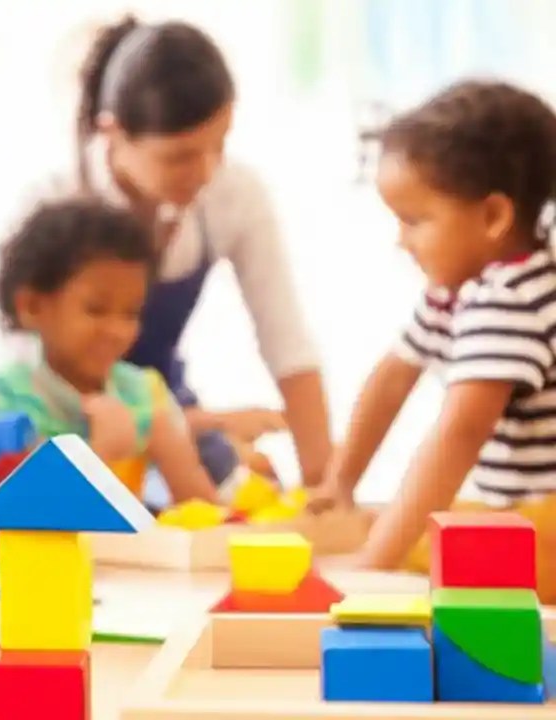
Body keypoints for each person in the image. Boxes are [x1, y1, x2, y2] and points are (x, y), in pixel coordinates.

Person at [52, 14, 334, 490]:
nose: (205, 171)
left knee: (244, 497)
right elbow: (24, 363)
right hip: (64, 415)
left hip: (167, 407)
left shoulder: (235, 193)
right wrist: (210, 422)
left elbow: (287, 344)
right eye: (180, 157)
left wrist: (325, 484)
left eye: (218, 145)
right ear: (113, 133)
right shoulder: (57, 201)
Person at [313, 80, 556, 600]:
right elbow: (392, 378)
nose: (401, 241)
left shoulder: (510, 300)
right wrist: (340, 482)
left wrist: (371, 568)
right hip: (519, 516)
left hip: (546, 526)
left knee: (422, 548)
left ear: (493, 217)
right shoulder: (460, 292)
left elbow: (459, 434)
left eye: (415, 220)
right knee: (400, 527)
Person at [0, 196, 219, 504]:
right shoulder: (7, 396)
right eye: (96, 309)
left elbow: (203, 510)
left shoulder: (144, 393)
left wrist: (171, 448)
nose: (117, 331)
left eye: (131, 313)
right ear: (33, 306)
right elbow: (13, 512)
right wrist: (100, 455)